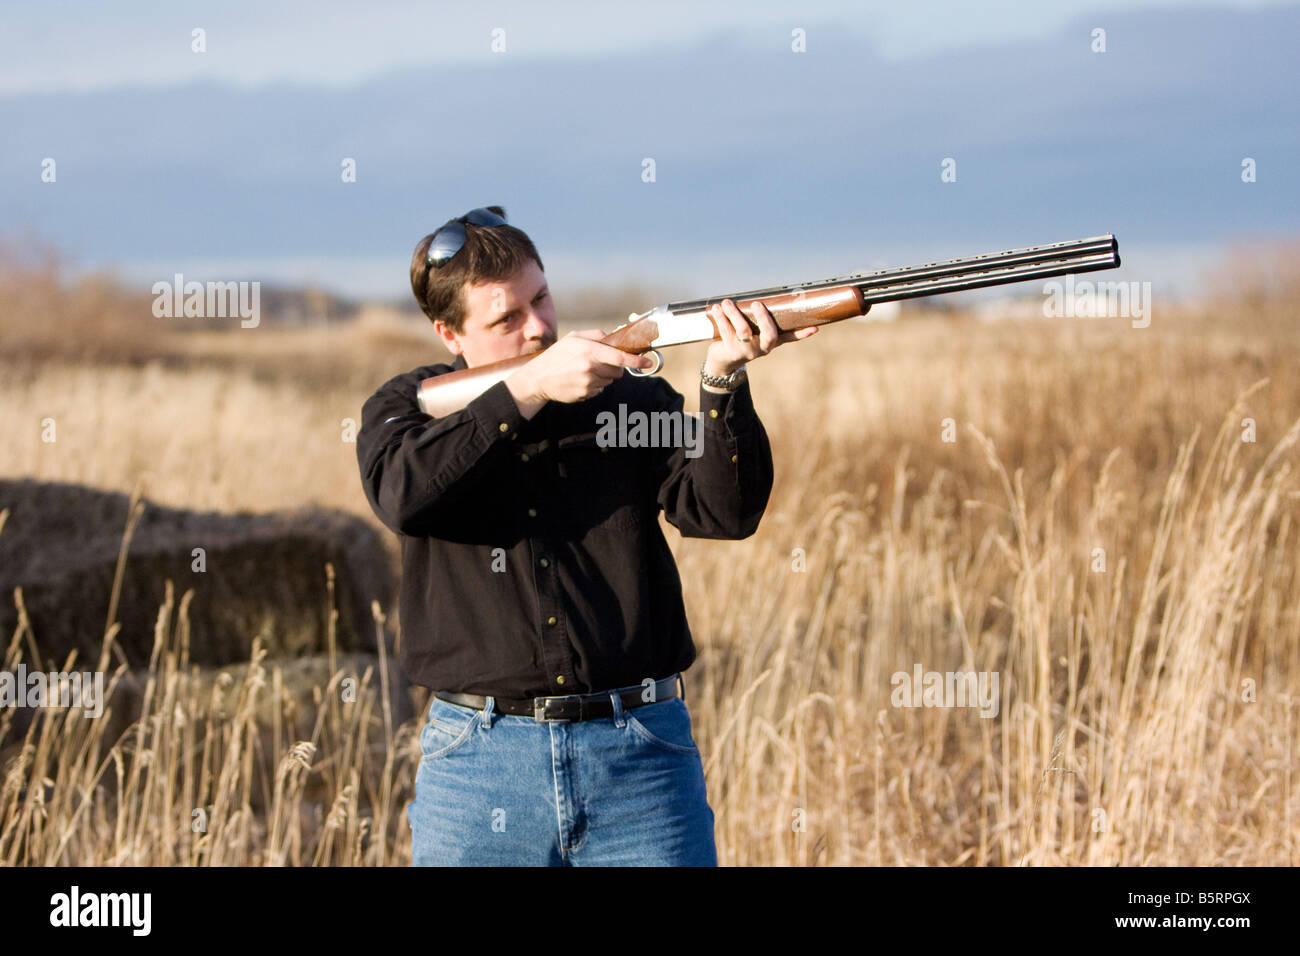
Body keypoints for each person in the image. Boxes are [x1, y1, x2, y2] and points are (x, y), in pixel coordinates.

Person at [355, 206, 817, 866]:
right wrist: (528, 391)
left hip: (641, 762)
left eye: (540, 298)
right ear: (447, 332)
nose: (539, 326)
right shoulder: (408, 410)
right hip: (479, 763)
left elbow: (721, 513)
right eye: (506, 319)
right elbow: (403, 494)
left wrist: (722, 378)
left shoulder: (624, 398)